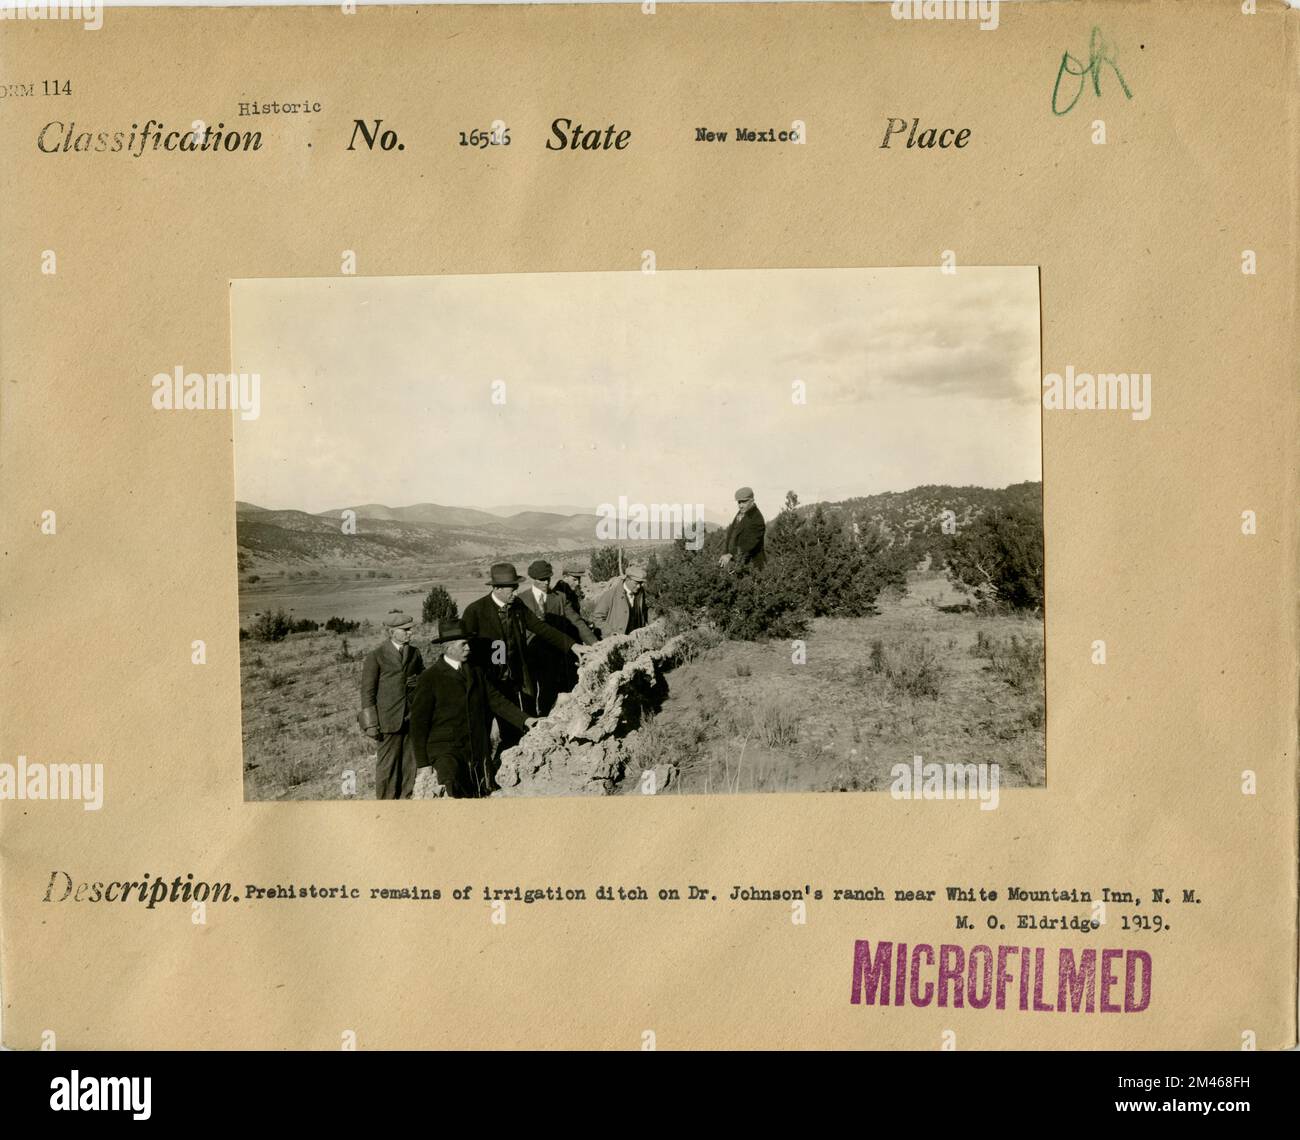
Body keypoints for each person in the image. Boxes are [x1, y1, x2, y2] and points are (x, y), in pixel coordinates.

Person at [461, 562, 584, 752]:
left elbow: (541, 628)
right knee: (481, 736)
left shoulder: (516, 606)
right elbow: (467, 650)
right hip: (485, 684)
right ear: (497, 588)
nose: (516, 593)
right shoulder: (476, 611)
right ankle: (483, 778)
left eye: (516, 588)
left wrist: (573, 645)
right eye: (511, 589)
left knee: (511, 733)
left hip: (509, 683)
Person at [409, 619, 538, 799]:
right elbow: (418, 724)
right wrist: (423, 763)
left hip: (476, 748)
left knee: (479, 793)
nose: (468, 648)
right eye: (463, 644)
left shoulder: (476, 671)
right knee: (452, 789)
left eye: (468, 643)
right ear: (448, 647)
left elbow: (496, 701)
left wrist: (525, 720)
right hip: (446, 750)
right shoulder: (430, 678)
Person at [517, 559, 599, 713]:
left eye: (548, 579)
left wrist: (595, 645)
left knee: (550, 694)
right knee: (529, 696)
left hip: (553, 655)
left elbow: (577, 622)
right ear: (533, 579)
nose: (546, 583)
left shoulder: (560, 597)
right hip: (529, 655)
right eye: (541, 580)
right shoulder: (521, 599)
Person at [358, 611, 425, 799]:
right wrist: (370, 723)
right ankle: (386, 804)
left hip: (410, 717)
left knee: (409, 762)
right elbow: (367, 691)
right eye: (405, 630)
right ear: (391, 632)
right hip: (388, 719)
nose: (410, 633)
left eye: (410, 629)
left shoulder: (414, 652)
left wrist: (418, 680)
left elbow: (423, 676)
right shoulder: (376, 656)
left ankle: (405, 798)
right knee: (388, 764)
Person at [590, 563, 650, 636]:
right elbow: (597, 618)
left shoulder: (641, 593)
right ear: (628, 579)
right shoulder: (610, 595)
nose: (639, 586)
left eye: (641, 583)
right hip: (616, 640)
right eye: (636, 583)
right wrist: (610, 633)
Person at [720, 486, 766, 570]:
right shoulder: (742, 513)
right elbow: (731, 535)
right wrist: (725, 553)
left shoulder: (757, 519)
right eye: (739, 502)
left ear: (752, 501)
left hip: (752, 568)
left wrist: (730, 555)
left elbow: (748, 544)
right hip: (737, 563)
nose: (740, 505)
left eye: (744, 502)